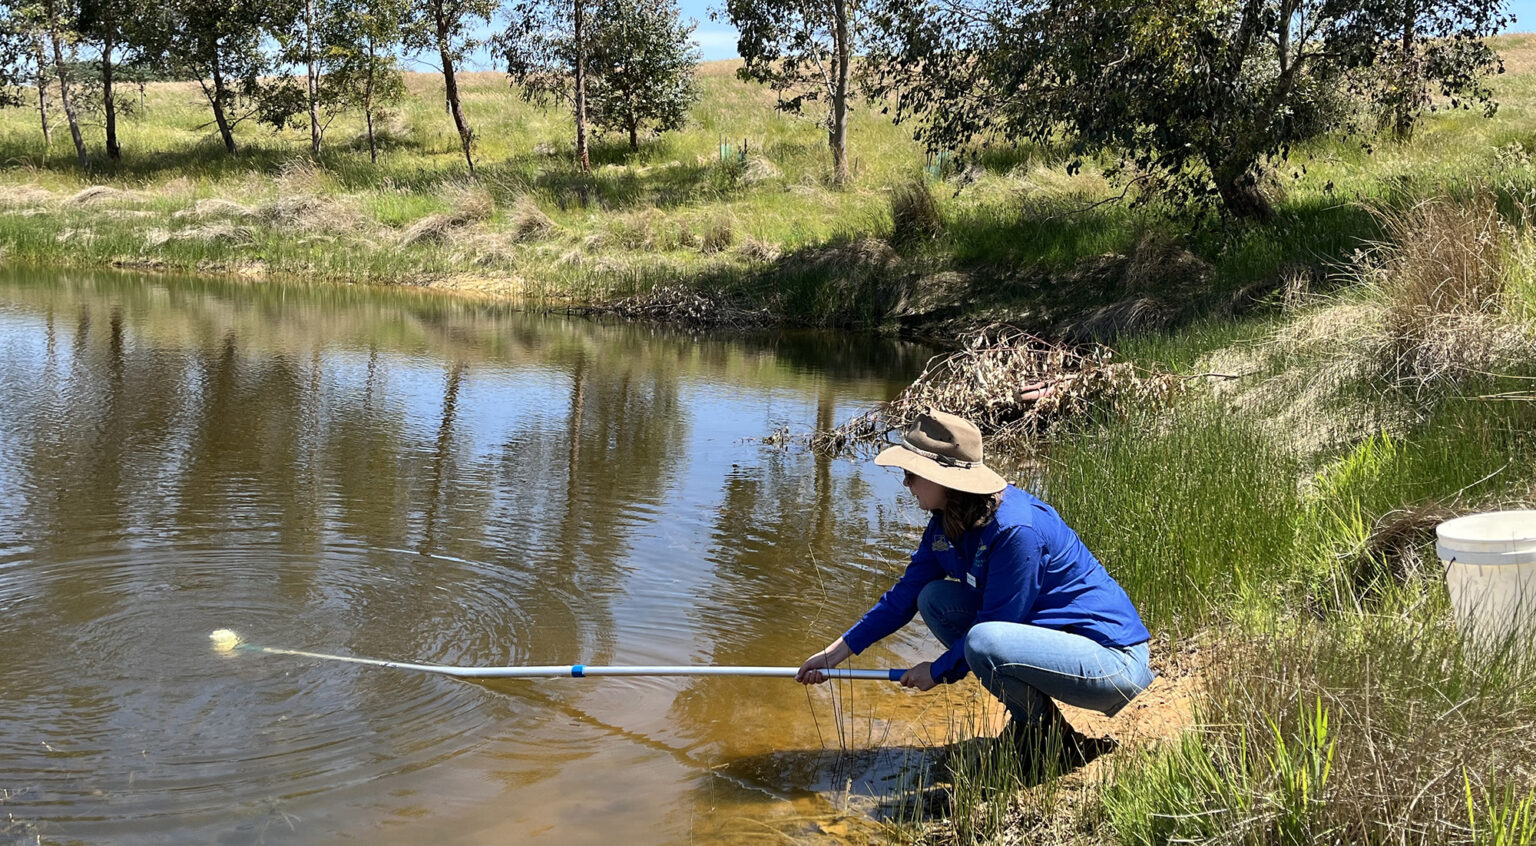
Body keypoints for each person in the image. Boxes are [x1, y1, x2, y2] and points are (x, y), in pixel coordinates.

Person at [796, 409, 1153, 767]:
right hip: (1056, 646)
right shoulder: (946, 523)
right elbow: (902, 599)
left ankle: (1046, 741)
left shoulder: (1016, 532)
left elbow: (997, 625)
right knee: (933, 599)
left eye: (910, 474)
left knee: (984, 641)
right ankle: (1046, 733)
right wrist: (837, 653)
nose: (905, 484)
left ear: (945, 479)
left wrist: (936, 672)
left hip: (1112, 664)